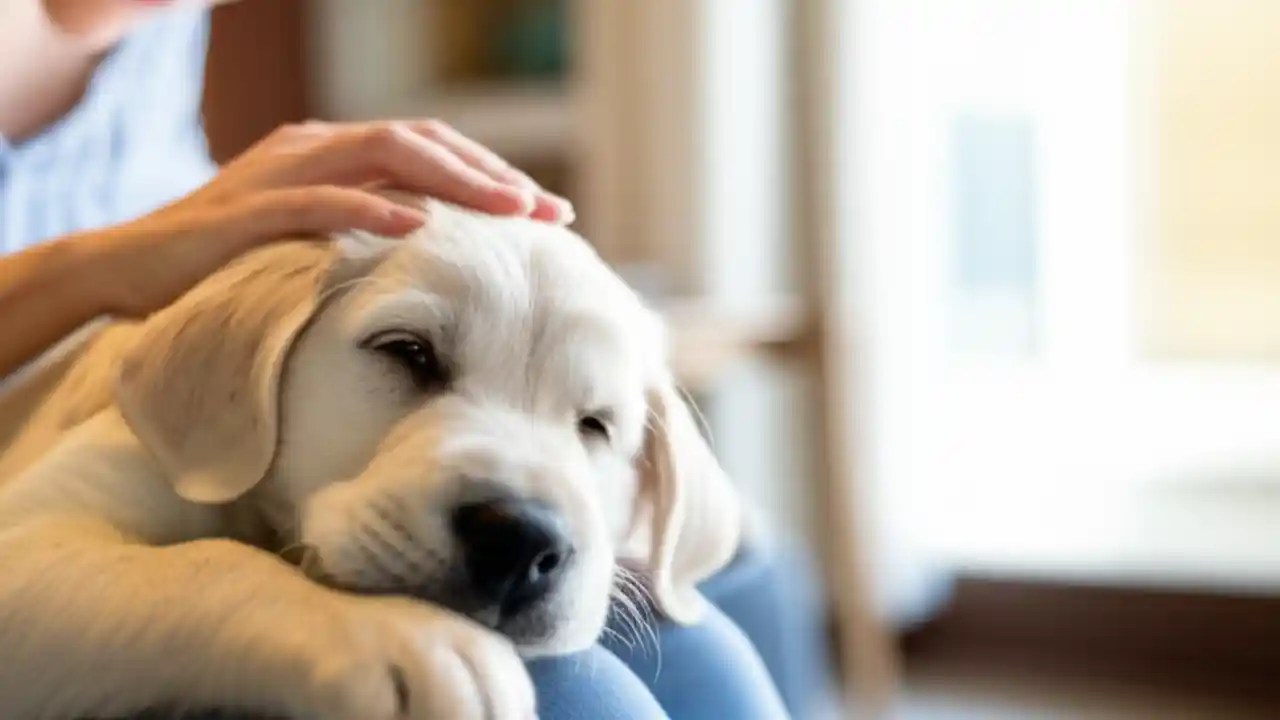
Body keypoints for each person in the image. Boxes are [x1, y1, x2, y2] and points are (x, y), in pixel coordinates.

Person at [1, 2, 827, 718]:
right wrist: (110, 263)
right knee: (571, 698)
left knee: (733, 611)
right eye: (411, 355)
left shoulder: (155, 30)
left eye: (593, 424)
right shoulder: (151, 434)